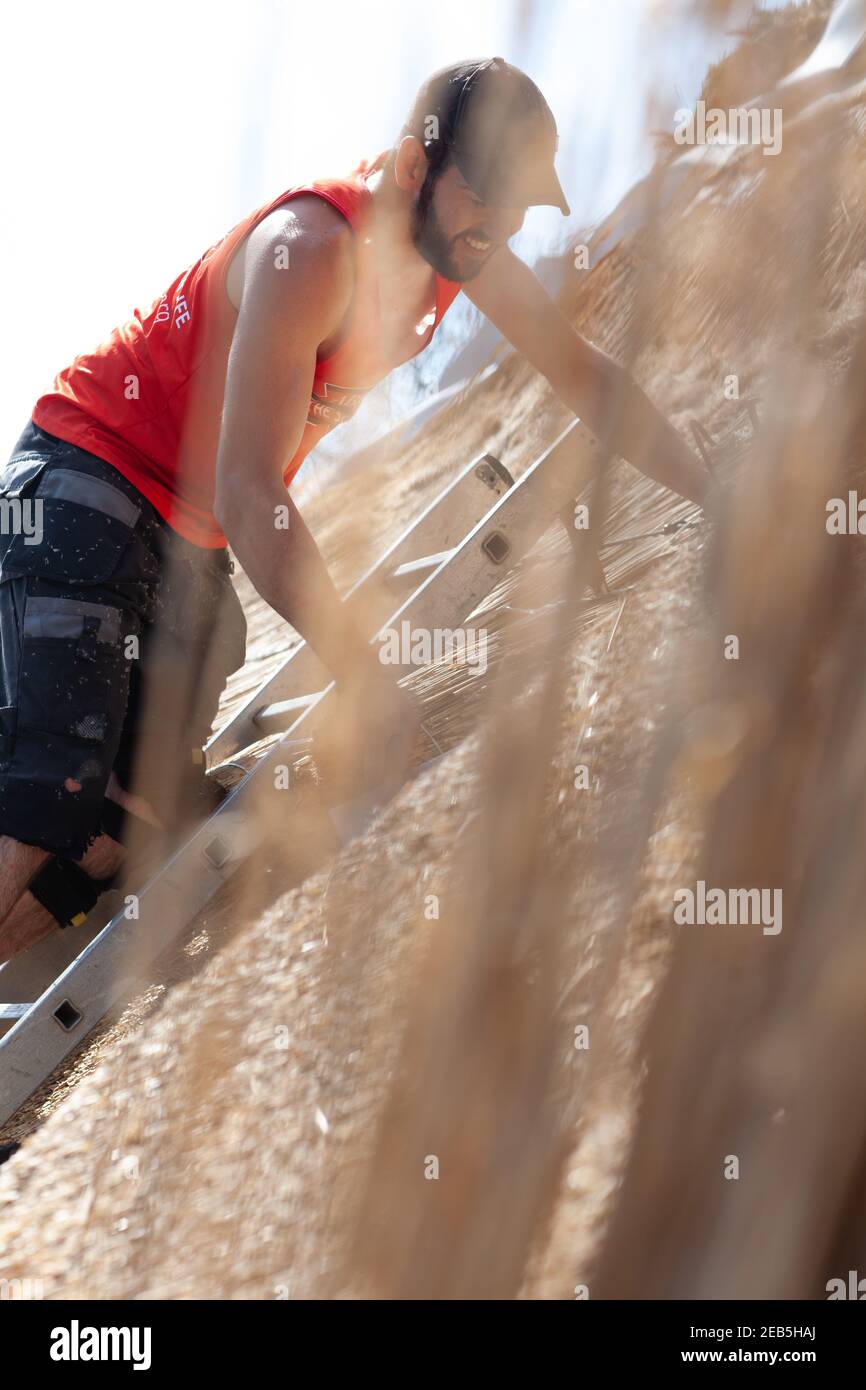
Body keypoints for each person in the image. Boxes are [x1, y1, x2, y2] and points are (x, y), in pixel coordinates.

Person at [0, 57, 708, 962]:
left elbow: (583, 374)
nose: (503, 224)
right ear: (415, 167)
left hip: (186, 541)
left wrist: (717, 495)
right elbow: (254, 493)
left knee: (114, 835)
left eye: (523, 203)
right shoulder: (312, 247)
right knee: (53, 800)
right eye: (490, 194)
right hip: (88, 479)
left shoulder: (456, 253)